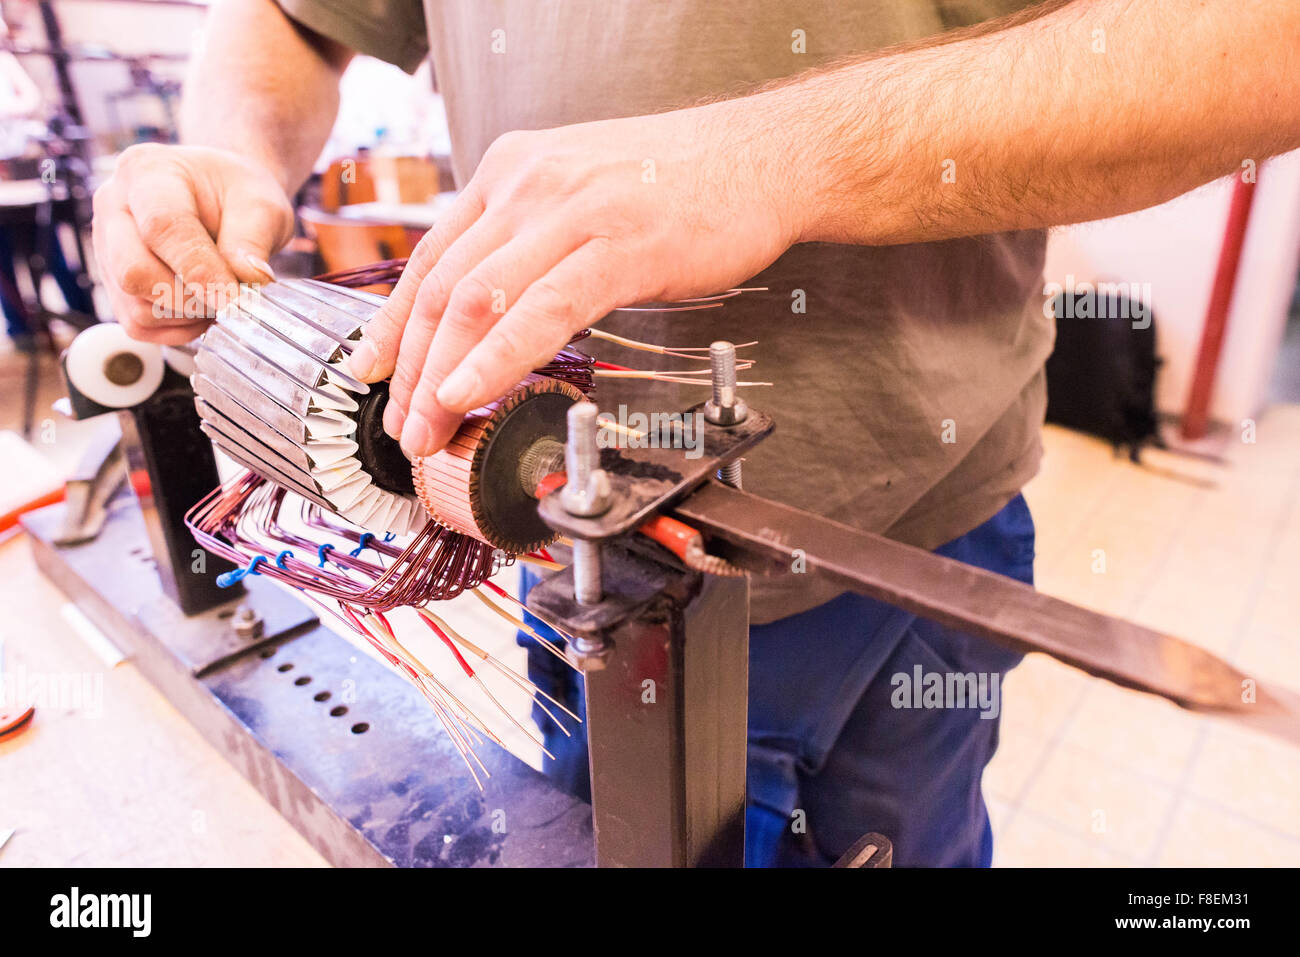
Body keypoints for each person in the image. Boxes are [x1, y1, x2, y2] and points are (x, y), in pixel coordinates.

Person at [90, 0, 1300, 866]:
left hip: (914, 524)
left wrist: (777, 156)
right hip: (561, 554)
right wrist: (233, 151)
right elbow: (300, 18)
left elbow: (1262, 41)